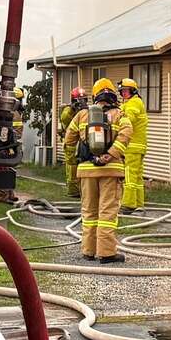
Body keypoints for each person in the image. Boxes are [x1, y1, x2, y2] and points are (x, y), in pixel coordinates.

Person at [64, 79, 133, 262]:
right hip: (110, 170)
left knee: (89, 212)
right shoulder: (120, 115)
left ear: (95, 96)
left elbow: (68, 141)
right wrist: (109, 155)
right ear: (112, 95)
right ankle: (107, 253)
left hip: (86, 170)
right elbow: (126, 135)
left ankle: (88, 251)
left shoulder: (82, 115)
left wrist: (74, 161)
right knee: (107, 213)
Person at [118, 77, 150, 214]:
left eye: (126, 91)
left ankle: (128, 204)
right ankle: (138, 203)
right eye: (122, 91)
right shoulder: (130, 102)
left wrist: (116, 117)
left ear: (133, 91)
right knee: (136, 177)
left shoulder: (134, 103)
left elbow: (128, 119)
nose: (124, 94)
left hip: (132, 146)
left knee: (129, 175)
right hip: (137, 146)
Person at [58, 86, 86, 198]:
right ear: (73, 101)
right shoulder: (67, 113)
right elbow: (71, 127)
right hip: (70, 142)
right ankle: (72, 191)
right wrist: (76, 111)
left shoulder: (83, 111)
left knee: (80, 165)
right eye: (79, 100)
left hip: (79, 141)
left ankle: (80, 189)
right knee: (72, 165)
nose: (82, 103)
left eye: (84, 100)